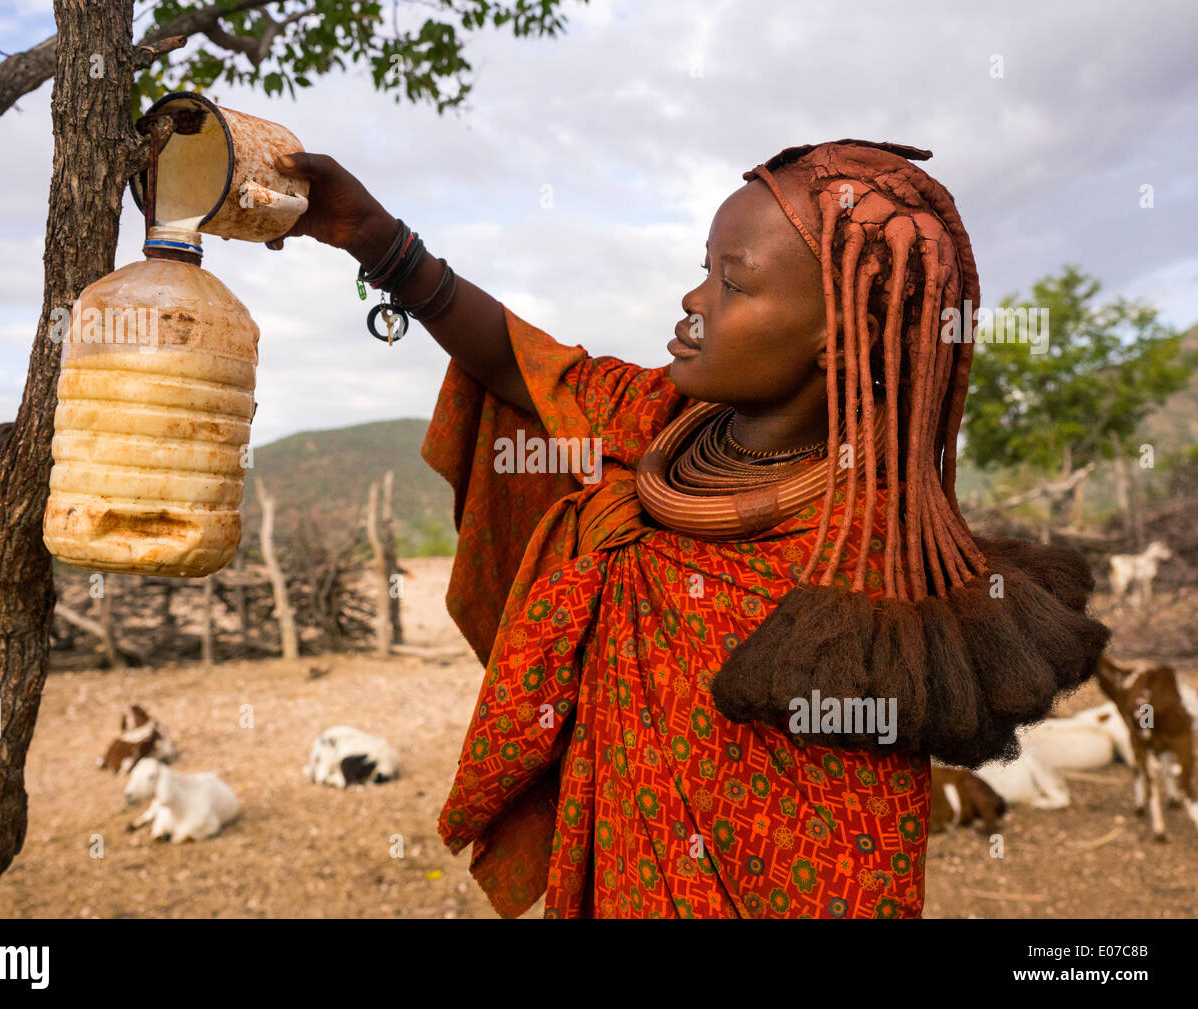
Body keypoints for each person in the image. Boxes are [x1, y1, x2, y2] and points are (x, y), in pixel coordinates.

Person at [270, 140, 1109, 919]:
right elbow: (524, 363)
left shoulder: (866, 568)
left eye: (733, 283)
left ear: (837, 338)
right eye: (701, 271)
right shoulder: (658, 420)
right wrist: (376, 239)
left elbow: (853, 864)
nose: (693, 298)